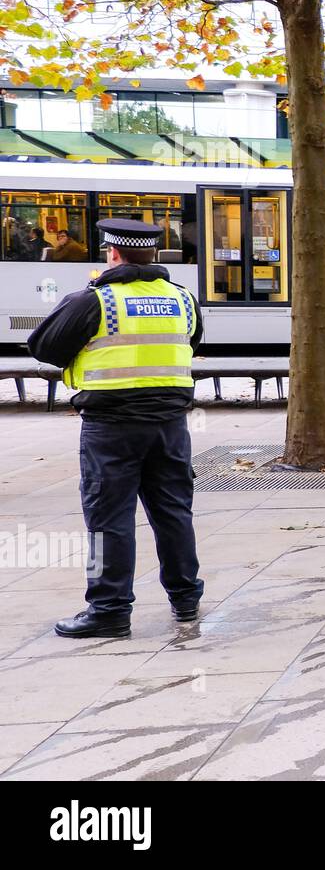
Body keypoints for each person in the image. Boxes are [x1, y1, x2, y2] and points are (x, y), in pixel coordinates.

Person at [27, 219, 204, 639]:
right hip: (171, 427)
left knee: (109, 518)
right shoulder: (183, 299)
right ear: (154, 254)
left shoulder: (96, 301)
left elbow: (43, 347)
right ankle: (186, 600)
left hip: (112, 428)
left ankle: (109, 610)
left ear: (113, 253)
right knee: (174, 513)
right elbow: (192, 344)